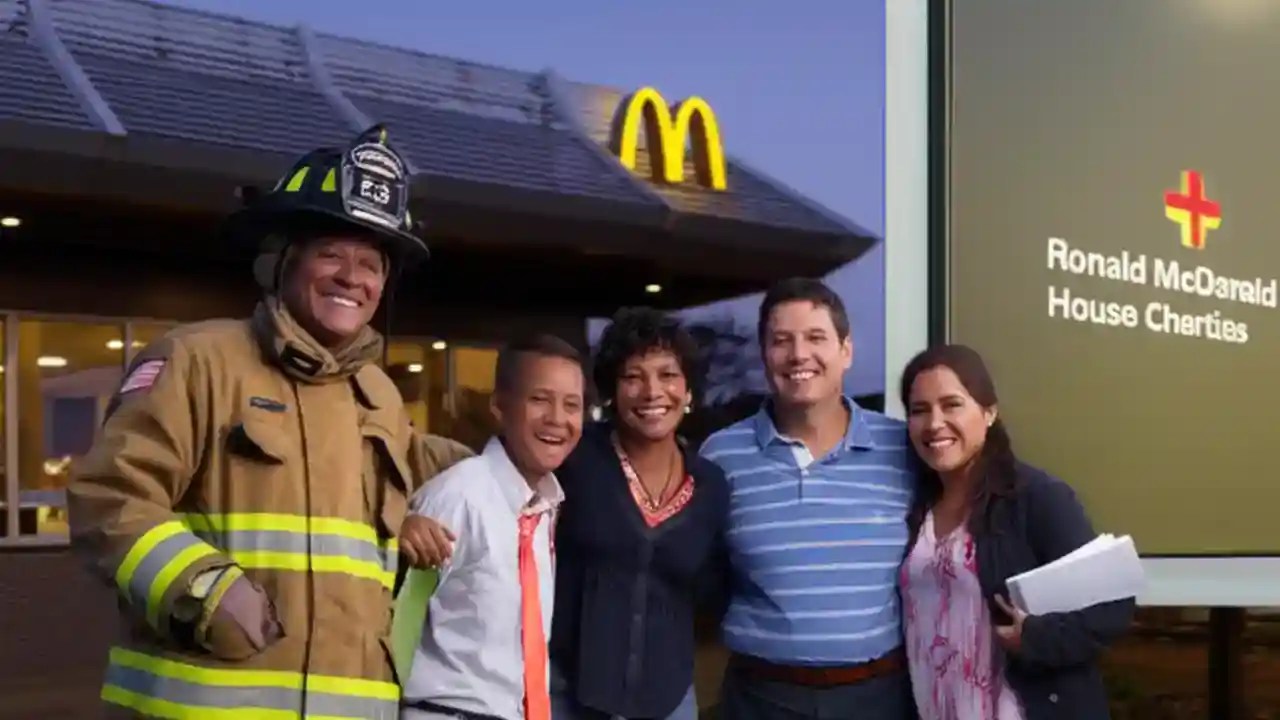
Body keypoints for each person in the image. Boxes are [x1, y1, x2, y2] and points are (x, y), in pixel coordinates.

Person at [66, 125, 471, 720]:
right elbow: (110, 497)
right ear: (280, 260)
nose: (352, 277)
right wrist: (200, 588)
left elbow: (412, 469)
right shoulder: (198, 361)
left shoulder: (378, 394)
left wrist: (523, 463)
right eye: (331, 254)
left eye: (371, 264)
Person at [699, 278, 916, 720]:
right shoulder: (720, 456)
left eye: (816, 337)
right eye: (781, 341)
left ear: (846, 351)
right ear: (764, 355)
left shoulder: (903, 448)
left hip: (878, 698)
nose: (799, 354)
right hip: (761, 699)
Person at [898, 344, 1134, 720]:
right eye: (919, 410)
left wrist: (1037, 638)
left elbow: (1113, 603)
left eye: (952, 404)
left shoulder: (1035, 498)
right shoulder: (915, 506)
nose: (934, 423)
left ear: (989, 412)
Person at [549, 307, 730, 720]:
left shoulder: (710, 485)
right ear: (612, 391)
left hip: (670, 701)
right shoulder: (575, 458)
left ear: (688, 391)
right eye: (633, 376)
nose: (652, 392)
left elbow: (714, 590)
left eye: (668, 375)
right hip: (567, 695)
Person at [398, 333, 587, 720]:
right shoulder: (458, 497)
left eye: (572, 405)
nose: (557, 419)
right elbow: (395, 625)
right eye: (540, 399)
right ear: (500, 406)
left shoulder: (544, 508)